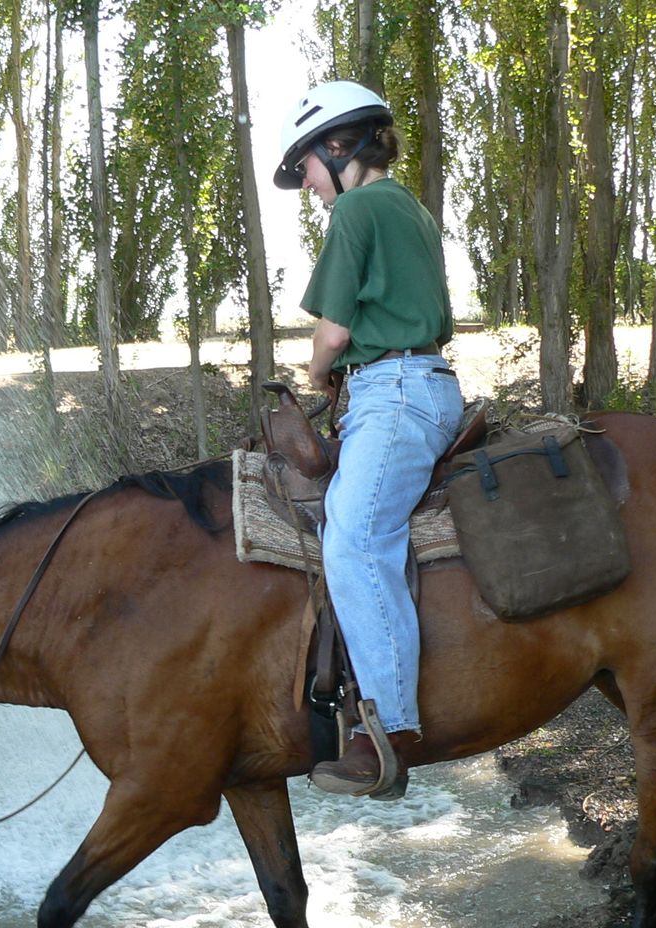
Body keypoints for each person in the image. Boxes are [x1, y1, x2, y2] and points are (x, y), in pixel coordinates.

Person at [274, 80, 464, 798]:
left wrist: (315, 370)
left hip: (395, 395)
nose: (311, 188)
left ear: (338, 147)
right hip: (425, 384)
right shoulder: (409, 207)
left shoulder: (356, 209)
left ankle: (385, 732)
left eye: (308, 170)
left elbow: (335, 332)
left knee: (353, 539)